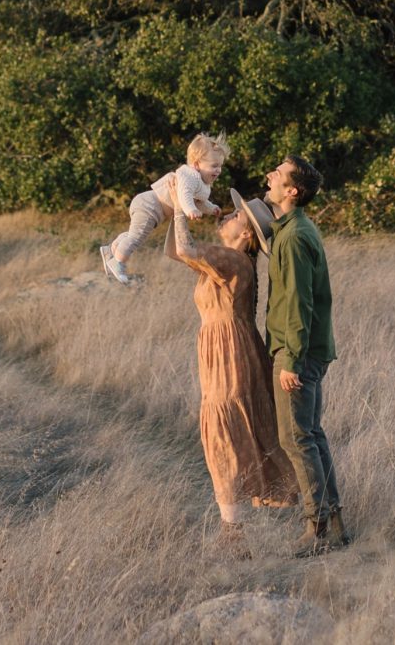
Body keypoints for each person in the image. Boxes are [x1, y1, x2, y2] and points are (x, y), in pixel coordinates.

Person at [165, 190, 298, 543]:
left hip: (231, 350)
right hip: (217, 347)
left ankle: (232, 532)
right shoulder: (224, 259)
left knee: (226, 425)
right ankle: (233, 529)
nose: (228, 215)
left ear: (247, 234)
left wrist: (182, 206)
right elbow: (173, 251)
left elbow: (185, 249)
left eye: (236, 215)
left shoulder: (235, 262)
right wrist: (175, 204)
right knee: (225, 426)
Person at [263, 154, 347, 556]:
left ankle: (317, 531)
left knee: (296, 438)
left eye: (277, 174)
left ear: (291, 191)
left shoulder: (296, 235)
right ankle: (335, 523)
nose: (269, 176)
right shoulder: (291, 230)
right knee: (311, 435)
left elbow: (299, 303)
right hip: (306, 349)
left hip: (299, 352)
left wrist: (290, 361)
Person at [100, 133, 227, 285]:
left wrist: (212, 208)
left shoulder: (200, 183)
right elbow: (184, 194)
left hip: (150, 208)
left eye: (220, 166)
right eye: (214, 166)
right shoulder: (189, 176)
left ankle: (110, 250)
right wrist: (189, 210)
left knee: (136, 235)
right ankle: (118, 263)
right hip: (149, 206)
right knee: (136, 237)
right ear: (197, 164)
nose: (218, 170)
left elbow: (200, 202)